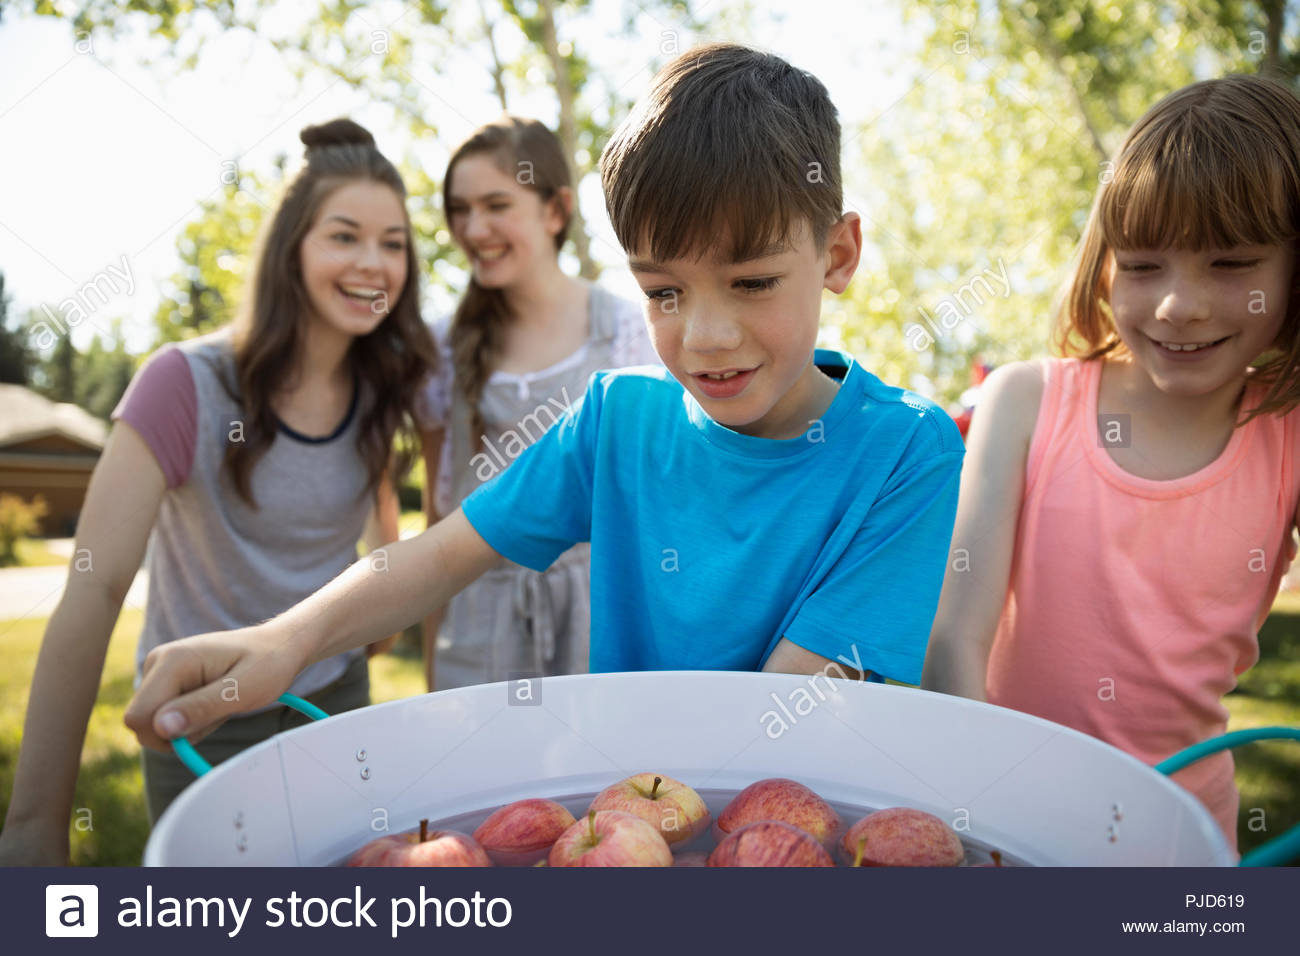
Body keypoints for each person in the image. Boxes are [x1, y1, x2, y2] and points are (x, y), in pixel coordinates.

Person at [123, 44, 964, 758]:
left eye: (752, 282)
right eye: (664, 291)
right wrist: (283, 640)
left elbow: (782, 715)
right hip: (623, 825)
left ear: (839, 253)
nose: (705, 334)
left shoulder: (908, 454)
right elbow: (444, 554)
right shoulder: (616, 423)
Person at [0, 119, 436, 865]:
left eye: (394, 242)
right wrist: (36, 823)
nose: (374, 263)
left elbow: (377, 537)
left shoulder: (379, 389)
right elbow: (94, 587)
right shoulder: (184, 385)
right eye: (345, 235)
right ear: (291, 248)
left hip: (333, 702)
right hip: (205, 712)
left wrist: (375, 617)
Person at [922, 75, 1300, 853]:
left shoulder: (1287, 433)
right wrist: (972, 820)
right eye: (1143, 264)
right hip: (1007, 820)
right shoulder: (1025, 402)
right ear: (1104, 264)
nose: (1177, 305)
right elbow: (956, 641)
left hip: (1181, 837)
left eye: (1230, 263)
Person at [418, 116, 657, 691]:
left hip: (596, 627)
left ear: (555, 210)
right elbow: (434, 517)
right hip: (476, 636)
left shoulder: (627, 332)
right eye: (460, 209)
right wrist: (430, 665)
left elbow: (656, 515)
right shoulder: (439, 348)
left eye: (496, 204)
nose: (473, 228)